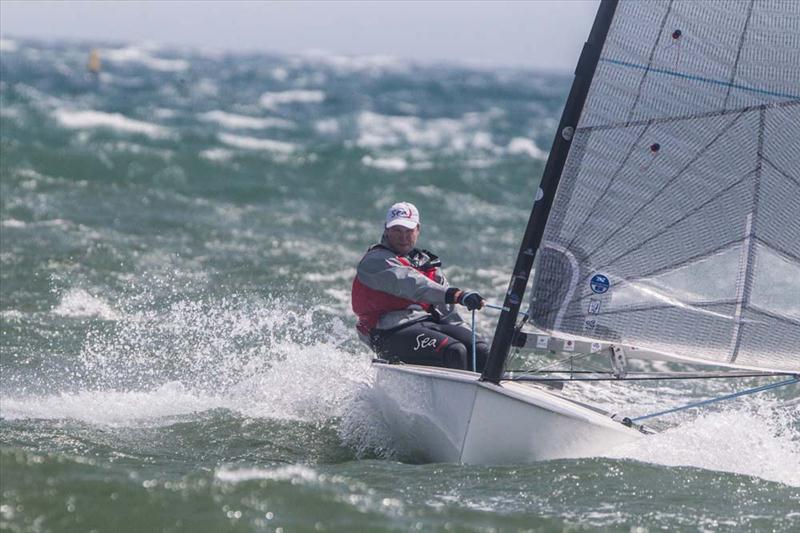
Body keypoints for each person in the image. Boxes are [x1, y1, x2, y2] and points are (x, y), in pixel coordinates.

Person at [351, 201, 489, 371]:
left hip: (426, 324)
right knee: (455, 351)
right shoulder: (374, 261)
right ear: (386, 229)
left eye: (409, 231)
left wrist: (470, 335)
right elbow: (413, 284)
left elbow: (448, 313)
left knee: (481, 351)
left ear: (418, 230)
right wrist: (458, 295)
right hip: (388, 332)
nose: (403, 237)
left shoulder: (426, 263)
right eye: (397, 230)